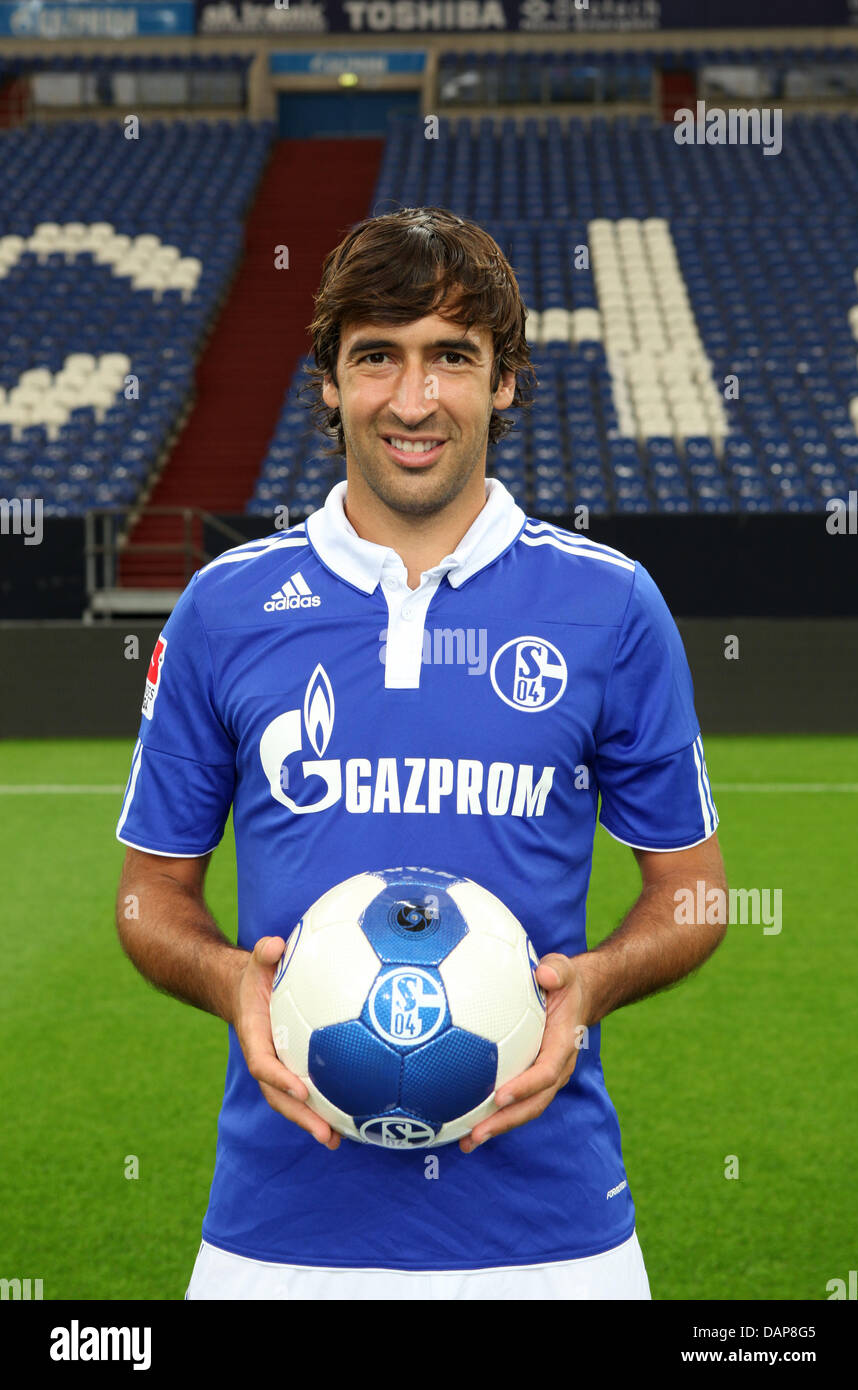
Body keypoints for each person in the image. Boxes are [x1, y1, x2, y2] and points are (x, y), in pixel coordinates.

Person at [115, 206, 727, 1301]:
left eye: (450, 355)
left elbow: (695, 893)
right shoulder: (224, 607)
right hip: (276, 1239)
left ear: (503, 380)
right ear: (327, 381)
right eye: (376, 357)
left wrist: (588, 986)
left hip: (553, 1244)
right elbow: (148, 896)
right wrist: (228, 979)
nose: (412, 399)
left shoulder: (610, 604)